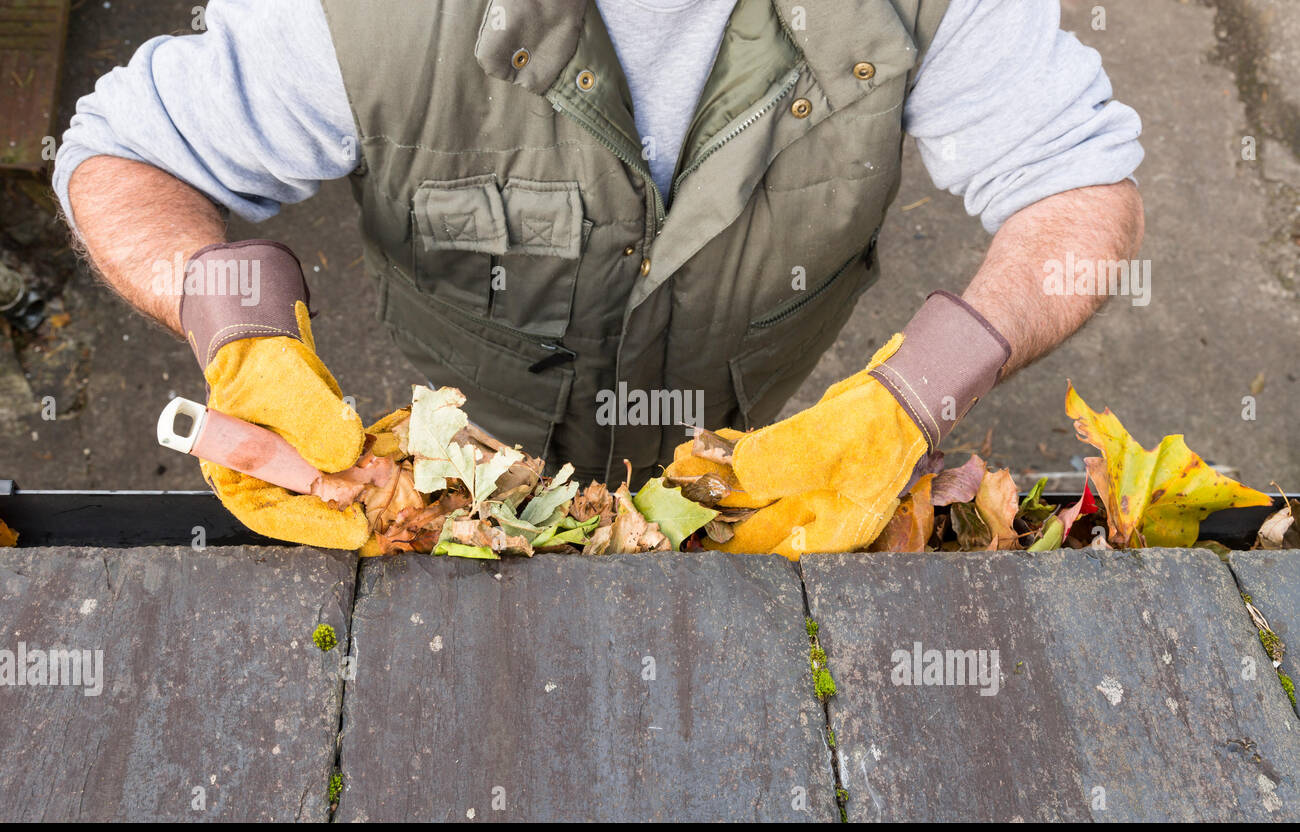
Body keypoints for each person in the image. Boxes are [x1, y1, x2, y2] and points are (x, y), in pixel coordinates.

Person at [55, 0, 1144, 554]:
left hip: (741, 417)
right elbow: (124, 158)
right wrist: (238, 333)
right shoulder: (354, 17)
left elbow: (1079, 188)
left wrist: (917, 392)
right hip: (476, 417)